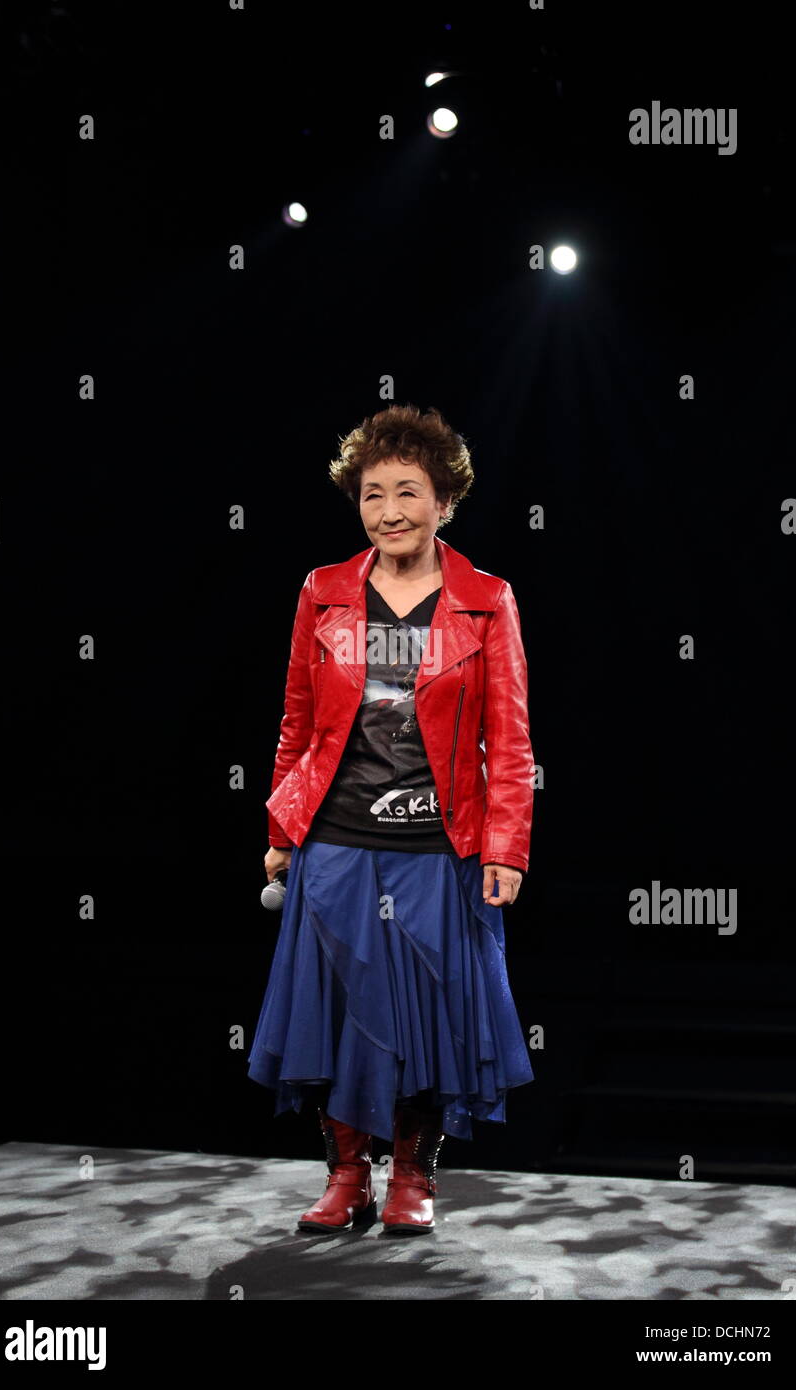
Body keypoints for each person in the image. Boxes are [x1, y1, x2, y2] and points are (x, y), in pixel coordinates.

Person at [248, 402, 535, 1236]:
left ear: (445, 501)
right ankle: (346, 1175)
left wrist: (507, 847)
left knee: (426, 1019)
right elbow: (297, 724)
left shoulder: (486, 600)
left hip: (437, 845)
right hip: (335, 839)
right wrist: (279, 832)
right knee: (334, 1011)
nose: (390, 512)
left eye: (408, 492)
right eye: (374, 495)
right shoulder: (323, 592)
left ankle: (413, 1174)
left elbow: (510, 740)